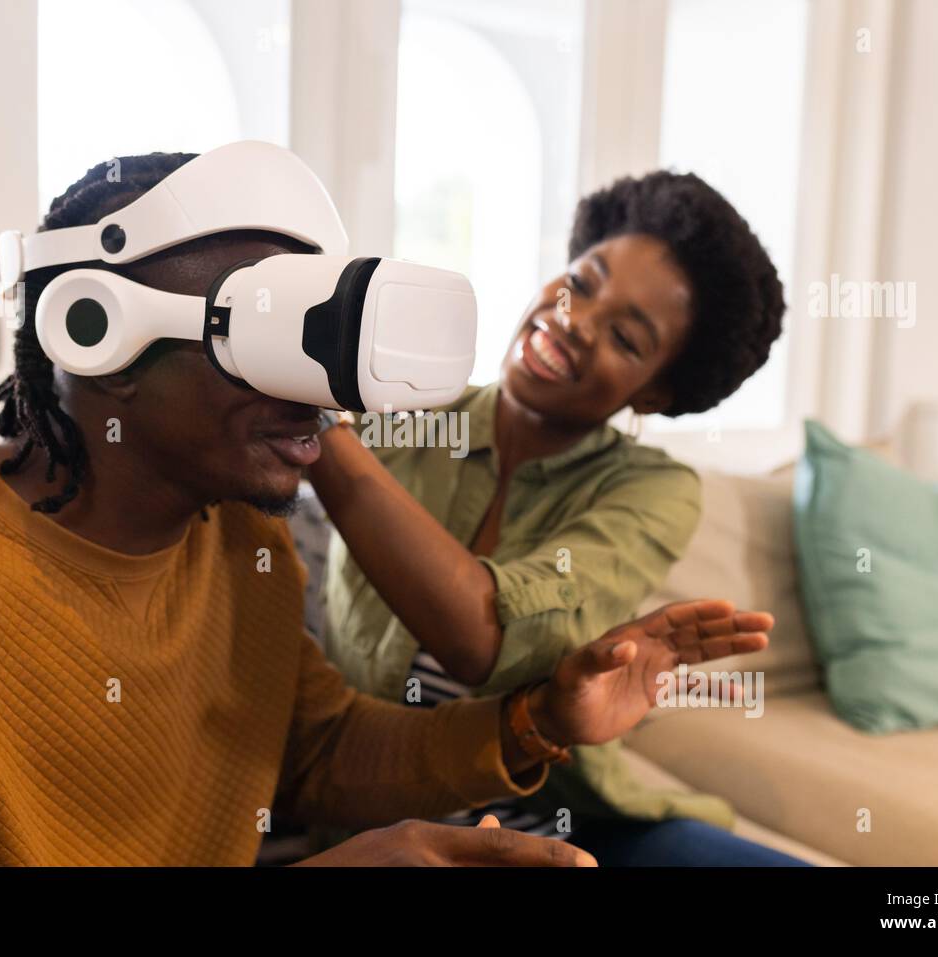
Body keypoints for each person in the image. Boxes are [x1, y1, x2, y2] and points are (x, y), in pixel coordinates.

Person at [0, 153, 773, 866]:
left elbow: (318, 750)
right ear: (94, 332)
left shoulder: (236, 537)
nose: (322, 387)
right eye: (265, 331)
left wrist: (536, 719)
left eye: (323, 332)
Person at [312, 170, 804, 865]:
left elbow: (485, 636)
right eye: (584, 281)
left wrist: (319, 429)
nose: (573, 321)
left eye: (626, 339)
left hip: (566, 816)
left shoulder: (652, 489)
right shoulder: (401, 415)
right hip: (385, 822)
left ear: (657, 391)